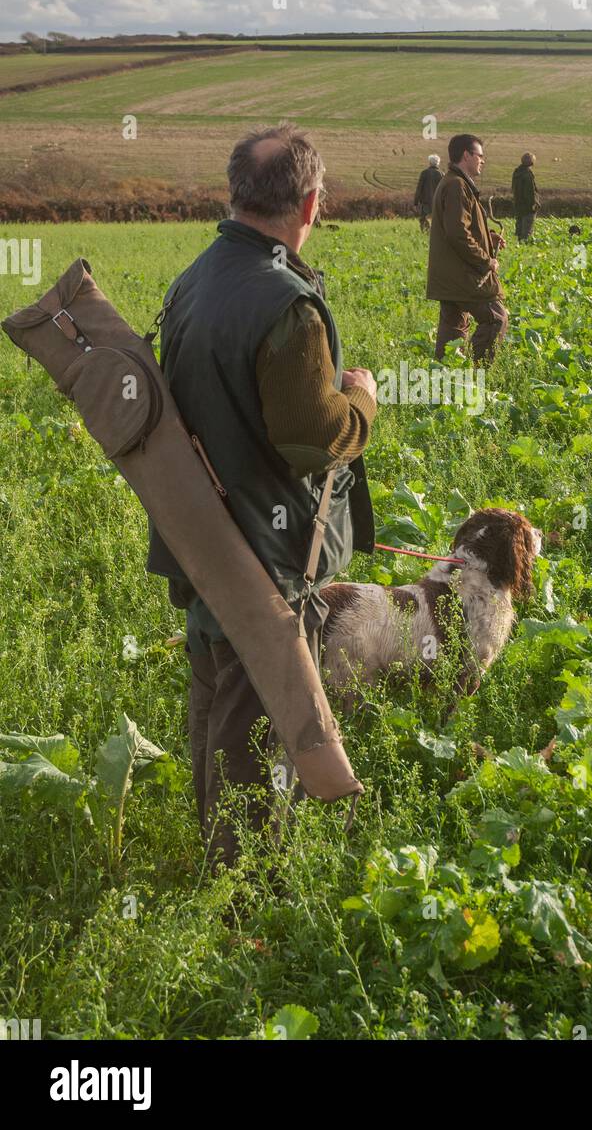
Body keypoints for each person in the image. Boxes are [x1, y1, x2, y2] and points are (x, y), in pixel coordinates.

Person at [146, 123, 377, 868]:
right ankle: (241, 895)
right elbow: (312, 437)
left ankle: (214, 848)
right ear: (309, 204)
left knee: (215, 699)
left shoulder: (194, 279)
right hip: (266, 553)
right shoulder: (283, 303)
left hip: (202, 534)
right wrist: (362, 402)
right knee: (257, 725)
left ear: (234, 194)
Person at [426, 133, 508, 363]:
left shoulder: (455, 183)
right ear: (466, 155)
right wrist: (485, 261)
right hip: (461, 274)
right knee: (496, 318)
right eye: (480, 155)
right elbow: (458, 234)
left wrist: (488, 238)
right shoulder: (456, 185)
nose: (483, 160)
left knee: (453, 329)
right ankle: (476, 374)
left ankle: (446, 380)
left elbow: (460, 228)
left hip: (450, 274)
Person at [511, 151, 539, 242]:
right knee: (526, 234)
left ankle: (519, 250)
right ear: (531, 162)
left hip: (518, 206)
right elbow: (530, 193)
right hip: (528, 209)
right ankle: (524, 252)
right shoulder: (527, 175)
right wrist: (535, 205)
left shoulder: (517, 172)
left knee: (519, 233)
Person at [414, 153, 443, 232]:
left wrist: (416, 202)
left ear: (429, 162)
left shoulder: (424, 173)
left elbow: (419, 188)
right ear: (438, 163)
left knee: (424, 221)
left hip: (426, 203)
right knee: (437, 221)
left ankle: (426, 234)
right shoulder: (442, 174)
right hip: (438, 203)